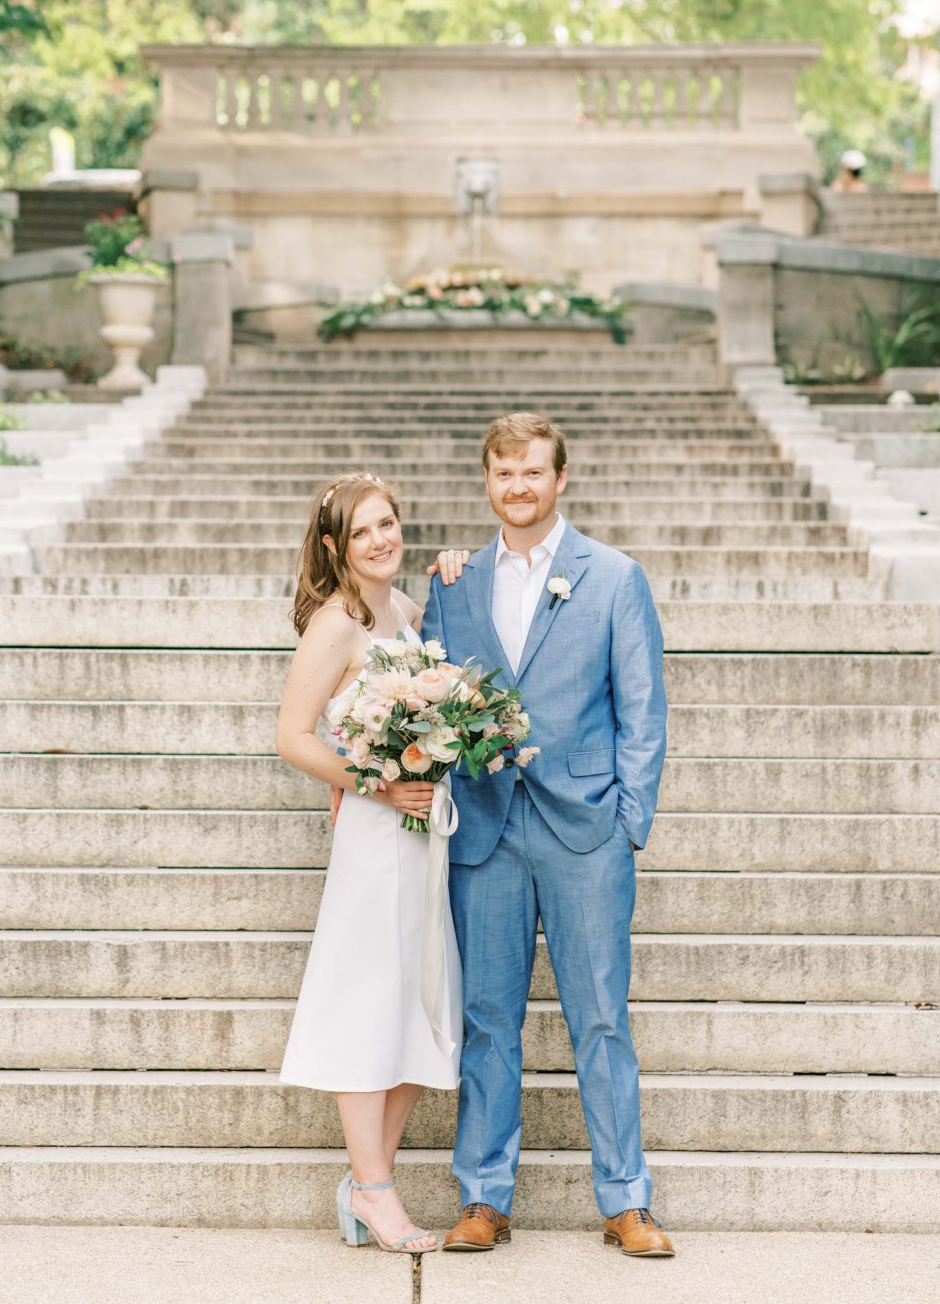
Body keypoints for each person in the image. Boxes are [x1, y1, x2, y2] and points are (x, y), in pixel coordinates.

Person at [425, 412, 673, 1259]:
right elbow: (430, 690)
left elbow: (643, 709)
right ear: (486, 482)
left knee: (600, 1017)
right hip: (486, 831)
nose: (517, 487)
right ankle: (483, 1197)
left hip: (584, 832)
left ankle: (626, 1201)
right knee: (487, 1018)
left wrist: (626, 822)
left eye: (532, 472)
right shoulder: (453, 582)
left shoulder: (612, 577)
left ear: (559, 477)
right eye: (503, 475)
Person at [276, 471, 466, 1255]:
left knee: (426, 1007)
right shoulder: (337, 623)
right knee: (367, 1008)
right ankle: (377, 1191)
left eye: (388, 524)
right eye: (362, 532)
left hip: (423, 839)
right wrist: (373, 786)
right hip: (374, 832)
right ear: (333, 547)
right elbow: (292, 736)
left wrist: (462, 566)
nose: (382, 540)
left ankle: (366, 1181)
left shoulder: (408, 611)